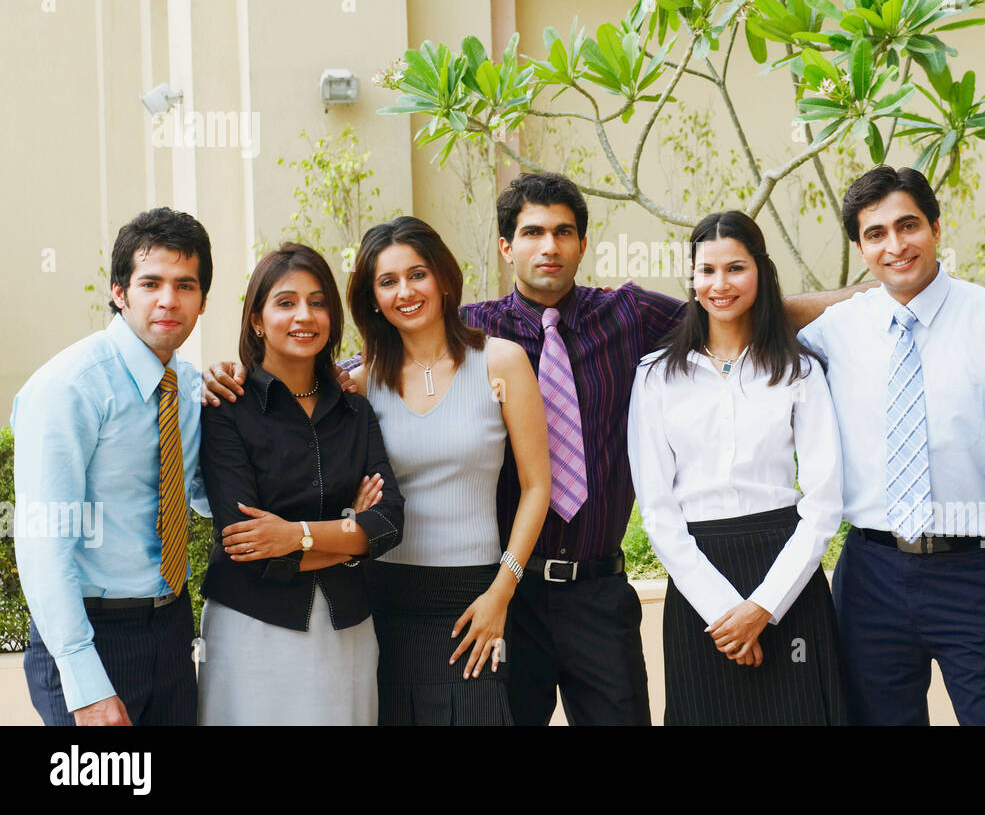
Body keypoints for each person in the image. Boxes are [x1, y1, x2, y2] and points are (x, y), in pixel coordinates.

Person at [203, 173, 863, 726]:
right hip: (500, 597)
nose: (548, 246)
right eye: (532, 233)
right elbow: (347, 361)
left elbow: (732, 303)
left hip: (594, 590)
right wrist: (239, 373)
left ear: (580, 244)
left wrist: (867, 296)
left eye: (562, 232)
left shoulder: (631, 315)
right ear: (505, 247)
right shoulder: (472, 334)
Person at [799, 165, 985, 726]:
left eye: (909, 226)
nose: (896, 246)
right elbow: (743, 313)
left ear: (937, 228)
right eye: (876, 234)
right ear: (860, 246)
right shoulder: (833, 331)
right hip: (871, 572)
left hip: (977, 571)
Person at [628, 211, 845, 725]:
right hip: (698, 578)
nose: (719, 284)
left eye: (736, 268)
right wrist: (725, 612)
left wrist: (764, 607)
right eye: (707, 270)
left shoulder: (799, 369)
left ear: (761, 273)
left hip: (787, 572)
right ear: (692, 278)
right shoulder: (656, 376)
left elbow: (823, 502)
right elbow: (657, 509)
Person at [345, 216, 551, 725]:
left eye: (416, 274)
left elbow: (536, 486)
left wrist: (501, 594)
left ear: (441, 278)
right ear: (373, 298)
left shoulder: (501, 362)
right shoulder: (359, 382)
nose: (405, 291)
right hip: (382, 602)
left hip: (475, 602)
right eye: (387, 281)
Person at [14, 207, 212, 726]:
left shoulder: (190, 388)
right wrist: (85, 683)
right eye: (151, 283)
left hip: (171, 628)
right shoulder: (69, 388)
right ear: (120, 292)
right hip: (90, 635)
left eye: (185, 285)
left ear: (203, 301)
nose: (169, 299)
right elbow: (42, 542)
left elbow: (202, 494)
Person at [196, 243, 404, 725]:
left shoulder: (355, 410)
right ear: (256, 318)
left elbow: (390, 522)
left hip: (347, 631)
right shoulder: (226, 409)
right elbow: (245, 546)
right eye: (286, 302)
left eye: (317, 301)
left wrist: (295, 535)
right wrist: (353, 539)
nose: (304, 316)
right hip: (252, 629)